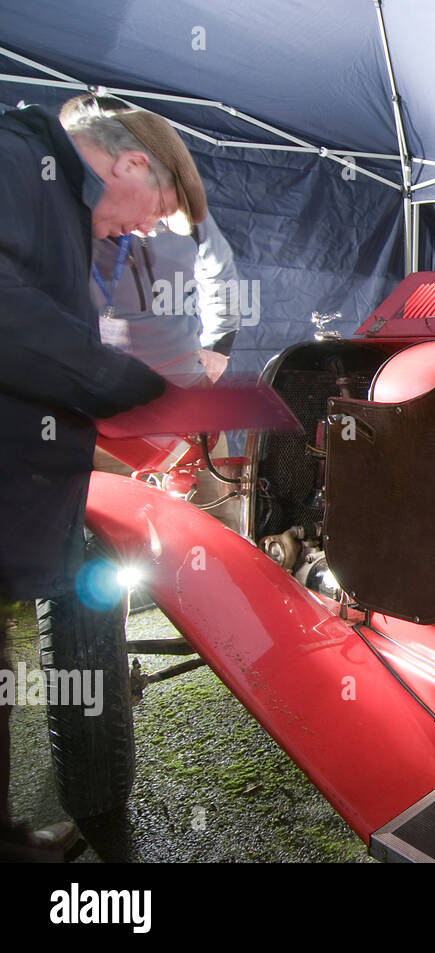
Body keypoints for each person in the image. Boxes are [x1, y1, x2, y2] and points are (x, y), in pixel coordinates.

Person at [0, 97, 206, 859]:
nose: (143, 230)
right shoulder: (17, 158)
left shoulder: (50, 193)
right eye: (155, 211)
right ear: (129, 164)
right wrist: (113, 381)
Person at [62, 95, 241, 387]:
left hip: (186, 381)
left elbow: (220, 271)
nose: (147, 227)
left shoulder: (182, 206)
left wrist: (218, 345)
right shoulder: (57, 218)